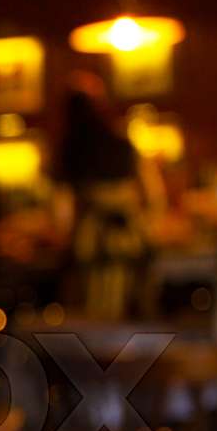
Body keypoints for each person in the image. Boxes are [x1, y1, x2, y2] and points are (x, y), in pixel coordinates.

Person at [54, 74, 164, 319]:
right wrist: (147, 225)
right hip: (129, 237)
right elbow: (155, 194)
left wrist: (63, 236)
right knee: (130, 306)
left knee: (94, 311)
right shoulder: (123, 143)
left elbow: (62, 208)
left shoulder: (70, 148)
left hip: (92, 239)